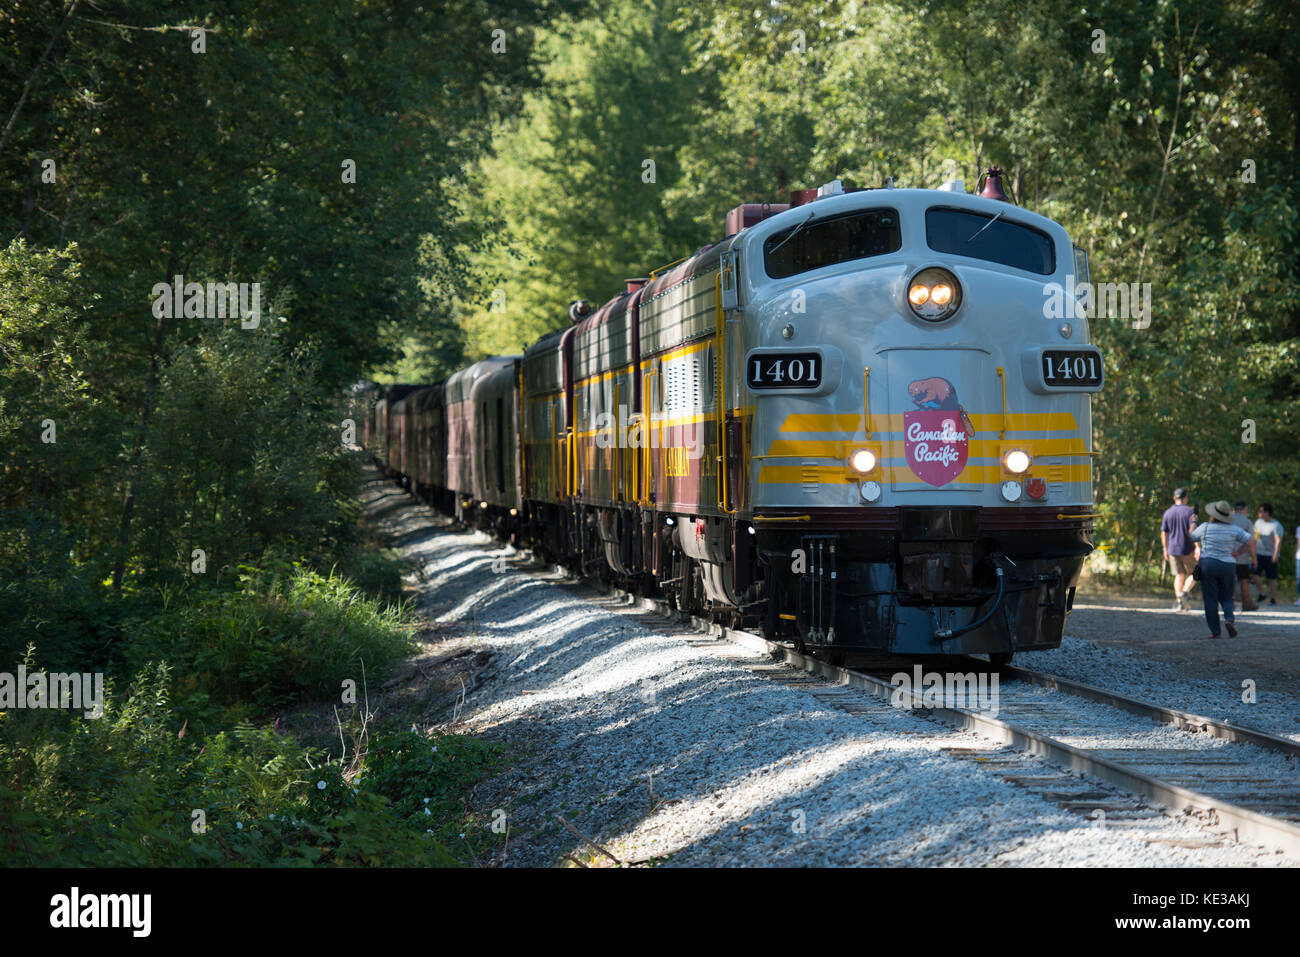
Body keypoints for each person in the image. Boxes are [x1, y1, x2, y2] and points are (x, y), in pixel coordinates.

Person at [1191, 500, 1253, 639]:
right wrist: (1238, 553)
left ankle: (1215, 632)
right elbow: (1251, 541)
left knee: (1210, 598)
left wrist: (1193, 523)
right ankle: (1229, 620)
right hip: (1227, 565)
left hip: (1208, 564)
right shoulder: (1234, 528)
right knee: (1227, 595)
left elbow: (1192, 536)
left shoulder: (1205, 526)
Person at [1161, 487, 1198, 611]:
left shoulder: (1168, 513)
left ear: (1174, 498)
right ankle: (1184, 593)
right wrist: (1198, 546)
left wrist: (1165, 549)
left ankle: (1179, 603)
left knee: (1179, 575)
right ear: (1185, 498)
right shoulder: (1190, 512)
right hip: (1187, 548)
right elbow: (1193, 531)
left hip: (1172, 548)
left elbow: (1164, 533)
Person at [1253, 503, 1284, 606]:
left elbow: (1278, 540)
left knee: (1271, 577)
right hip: (1259, 553)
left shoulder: (1276, 525)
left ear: (1267, 512)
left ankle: (1273, 598)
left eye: (1261, 511)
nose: (1259, 513)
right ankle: (1262, 593)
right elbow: (1254, 535)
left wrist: (1276, 554)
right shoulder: (1258, 522)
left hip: (1270, 554)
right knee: (1255, 574)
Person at [1230, 501, 1258, 611]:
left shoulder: (1227, 520)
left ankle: (1230, 604)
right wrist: (1254, 558)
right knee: (1244, 580)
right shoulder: (1247, 522)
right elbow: (1251, 542)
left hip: (1227, 556)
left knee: (1229, 580)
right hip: (1242, 558)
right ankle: (1246, 604)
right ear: (1244, 509)